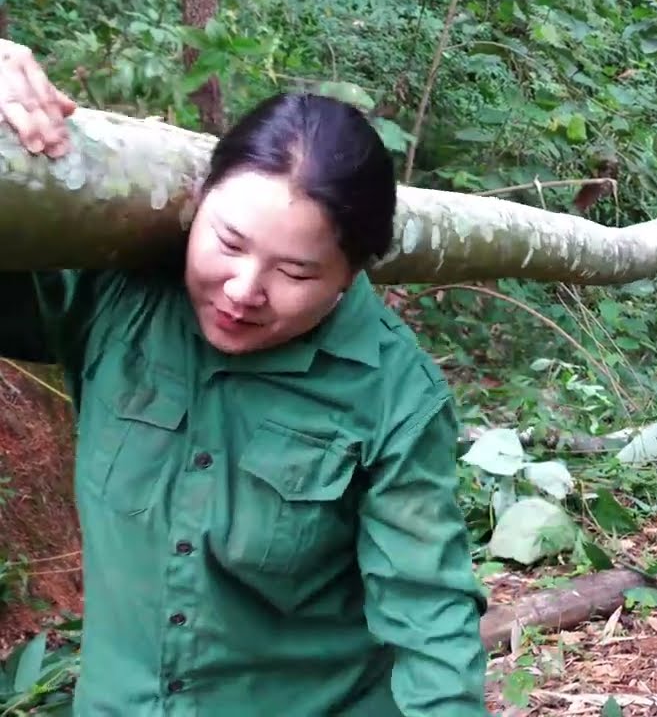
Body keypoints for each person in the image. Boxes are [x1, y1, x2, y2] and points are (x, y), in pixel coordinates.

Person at [0, 39, 490, 715]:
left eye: (295, 273)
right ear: (197, 201)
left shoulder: (390, 393)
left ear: (351, 275)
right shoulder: (118, 294)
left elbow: (430, 615)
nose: (242, 289)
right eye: (228, 243)